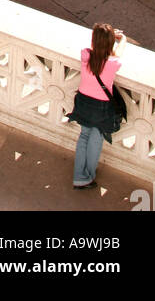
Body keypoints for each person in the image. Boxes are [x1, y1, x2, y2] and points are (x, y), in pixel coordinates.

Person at [65, 24, 126, 188]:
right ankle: (88, 176)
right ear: (110, 43)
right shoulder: (113, 64)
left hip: (83, 101)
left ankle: (79, 175)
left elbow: (94, 51)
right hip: (101, 106)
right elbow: (116, 55)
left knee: (84, 135)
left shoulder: (85, 55)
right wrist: (122, 39)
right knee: (96, 139)